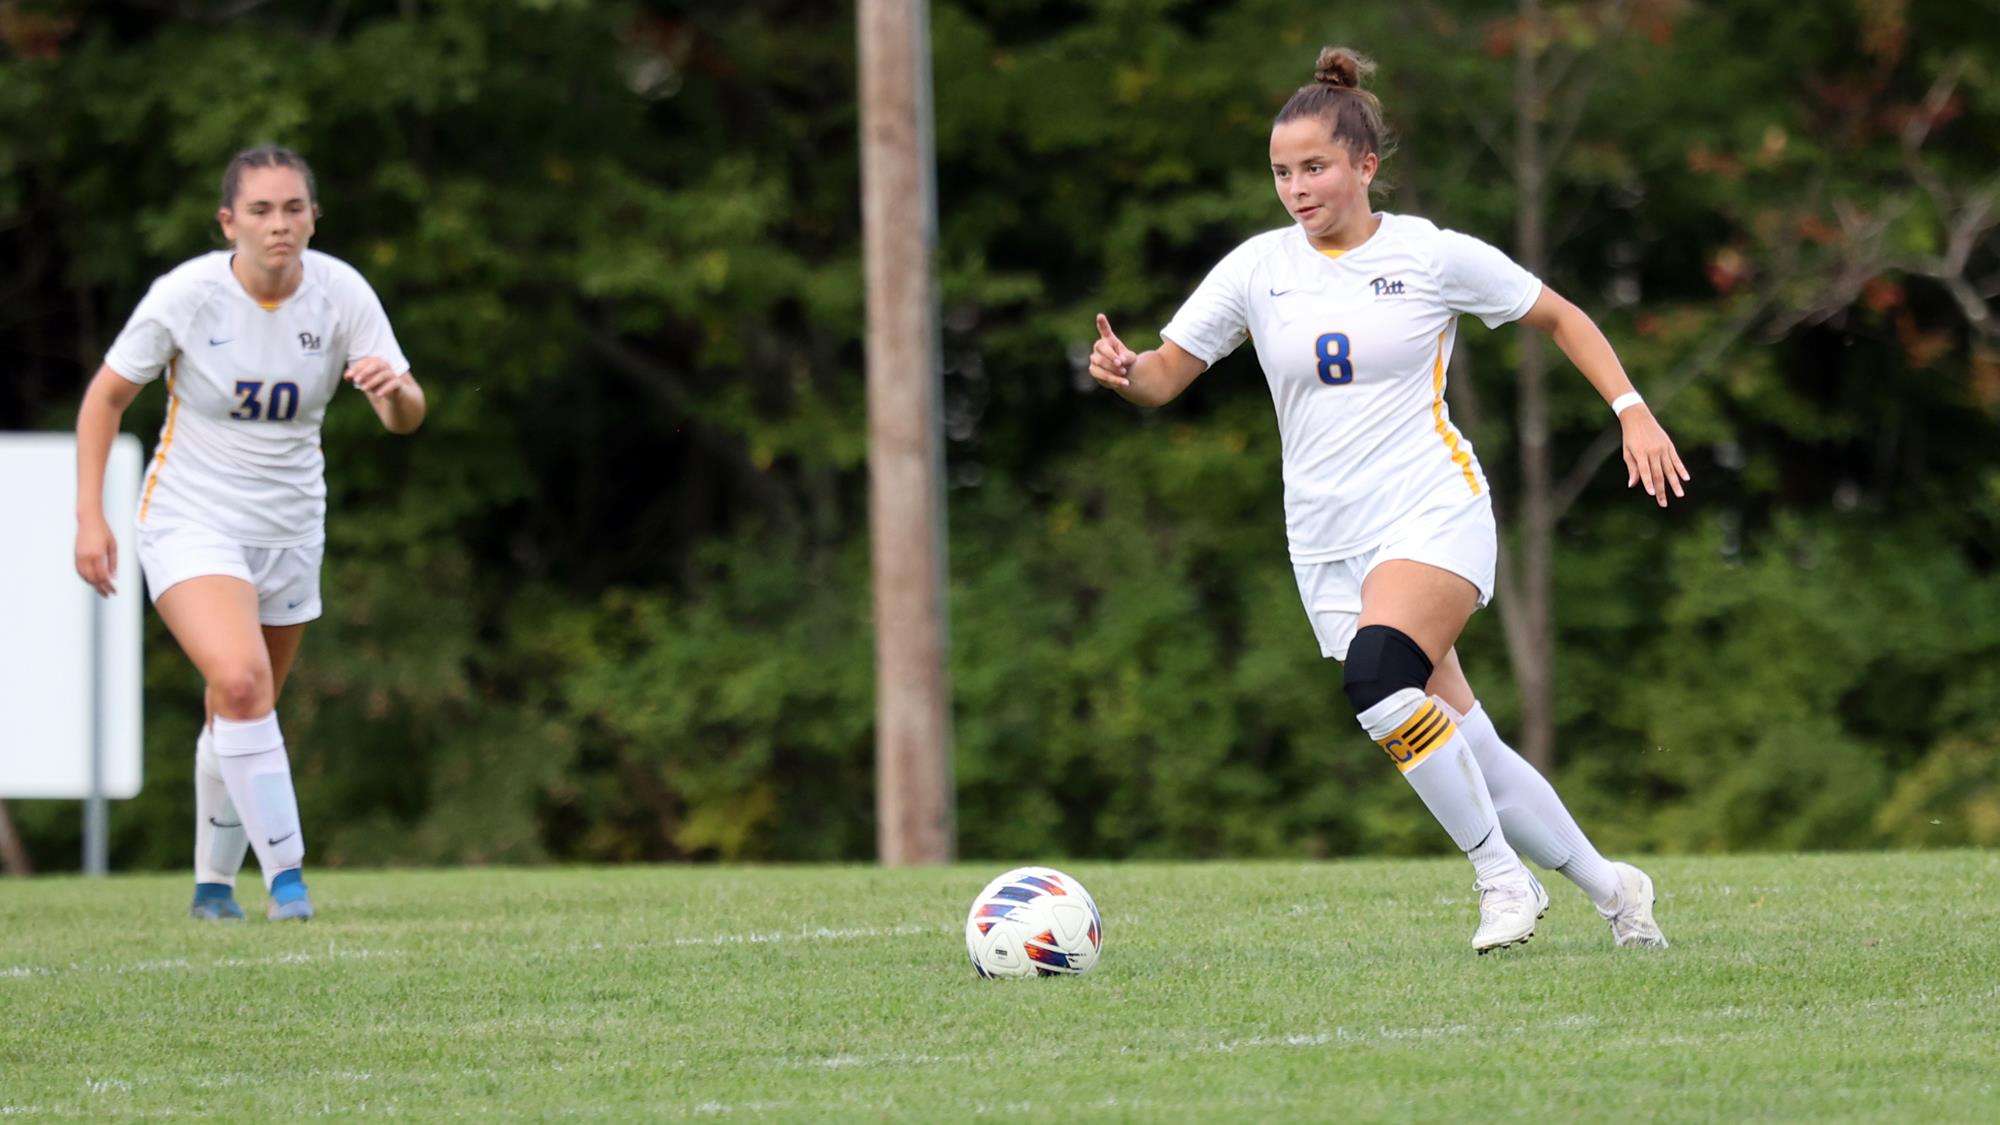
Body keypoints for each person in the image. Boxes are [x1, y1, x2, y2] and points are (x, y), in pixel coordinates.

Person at [1087, 48, 1686, 952]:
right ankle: (1615, 887)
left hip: (1431, 508)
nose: (1297, 187)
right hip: (1326, 540)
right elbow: (1167, 377)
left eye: (1315, 167)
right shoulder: (1258, 268)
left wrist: (1632, 410)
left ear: (1365, 165)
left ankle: (1501, 880)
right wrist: (1126, 372)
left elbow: (1560, 314)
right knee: (1466, 740)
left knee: (1378, 677)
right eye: (1282, 172)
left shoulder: (1429, 254)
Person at [74, 144, 425, 922]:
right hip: (190, 516)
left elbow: (408, 416)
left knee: (237, 704)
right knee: (240, 681)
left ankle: (210, 887)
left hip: (291, 528)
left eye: (294, 208)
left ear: (313, 217)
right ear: (228, 222)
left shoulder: (341, 293)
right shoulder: (189, 295)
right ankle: (287, 880)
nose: (280, 225)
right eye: (261, 210)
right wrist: (90, 515)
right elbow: (104, 398)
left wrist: (393, 391)